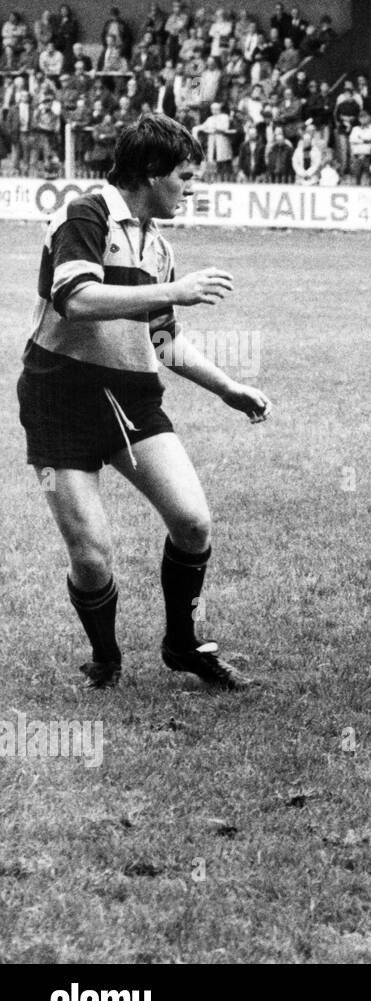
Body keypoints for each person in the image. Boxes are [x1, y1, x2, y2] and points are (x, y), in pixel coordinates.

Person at [16, 114, 272, 690]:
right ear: (152, 173)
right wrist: (175, 291)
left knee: (192, 521)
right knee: (92, 555)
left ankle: (183, 645)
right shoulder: (85, 214)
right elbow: (76, 299)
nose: (191, 186)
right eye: (184, 175)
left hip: (132, 398)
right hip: (59, 399)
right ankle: (105, 658)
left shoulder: (157, 244)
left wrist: (228, 387)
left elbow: (164, 339)